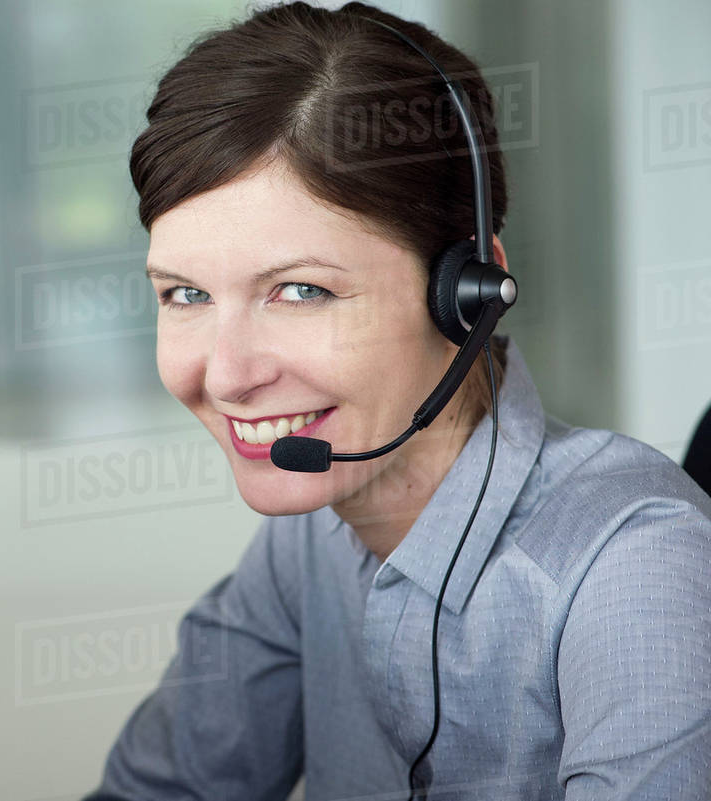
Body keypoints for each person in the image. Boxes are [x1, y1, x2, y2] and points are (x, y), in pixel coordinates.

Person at [83, 2, 711, 799]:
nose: (226, 373)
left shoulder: (630, 564)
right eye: (185, 295)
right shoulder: (308, 536)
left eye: (300, 290)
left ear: (467, 294)